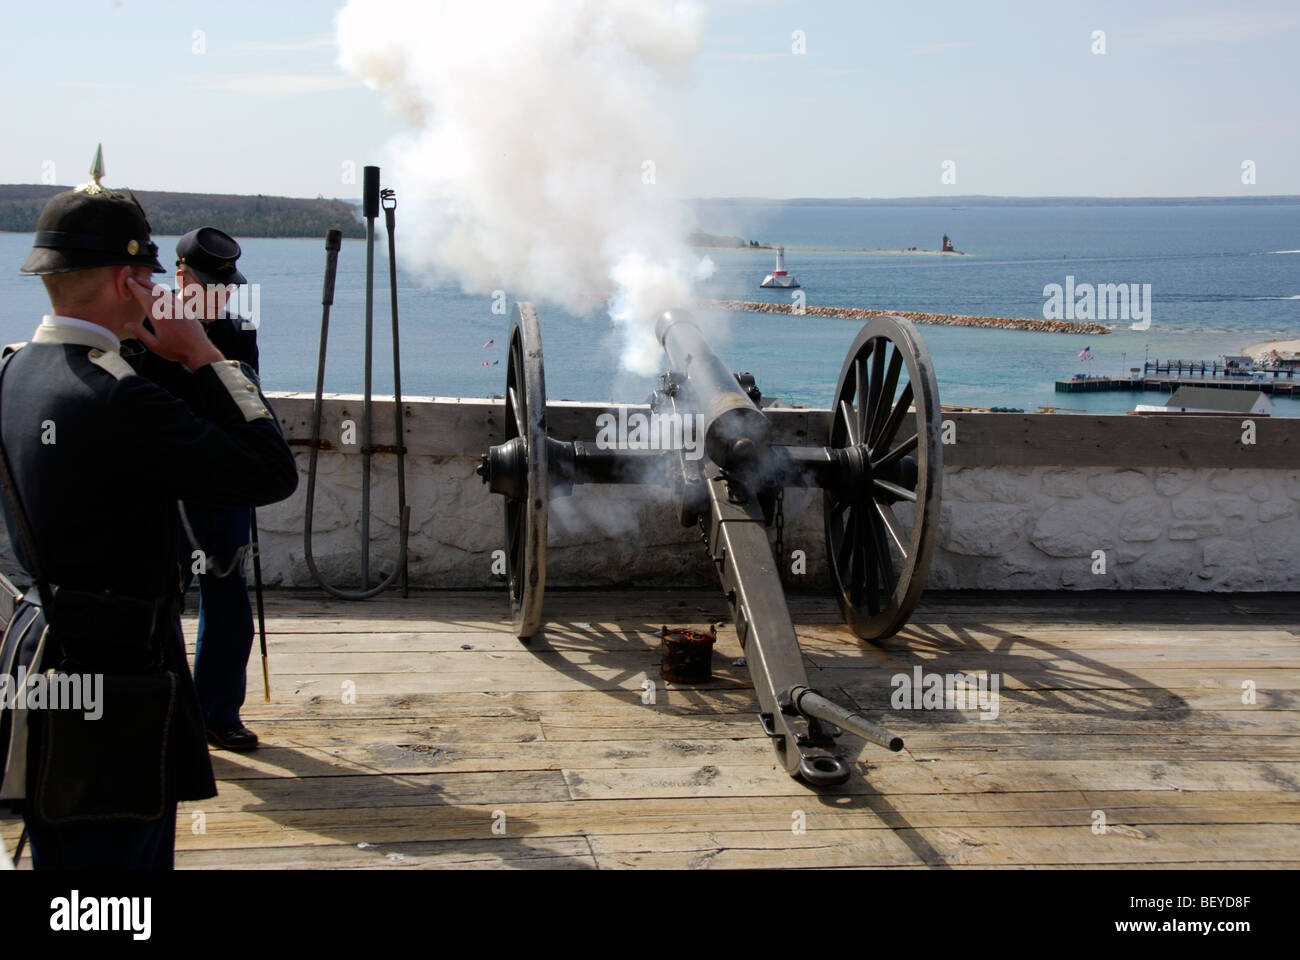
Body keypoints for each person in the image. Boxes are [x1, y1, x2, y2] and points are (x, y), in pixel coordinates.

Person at [0, 166, 298, 869]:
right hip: (117, 688)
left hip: (48, 660)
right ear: (127, 280)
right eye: (149, 278)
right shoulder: (117, 397)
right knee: (114, 883)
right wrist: (200, 351)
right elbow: (267, 470)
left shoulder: (15, 372)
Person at [132, 227, 262, 751]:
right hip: (163, 482)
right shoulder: (142, 327)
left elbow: (247, 402)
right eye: (212, 284)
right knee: (158, 602)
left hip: (219, 483)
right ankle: (158, 712)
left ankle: (216, 711)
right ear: (182, 276)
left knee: (229, 602)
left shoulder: (238, 332)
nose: (223, 294)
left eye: (226, 286)